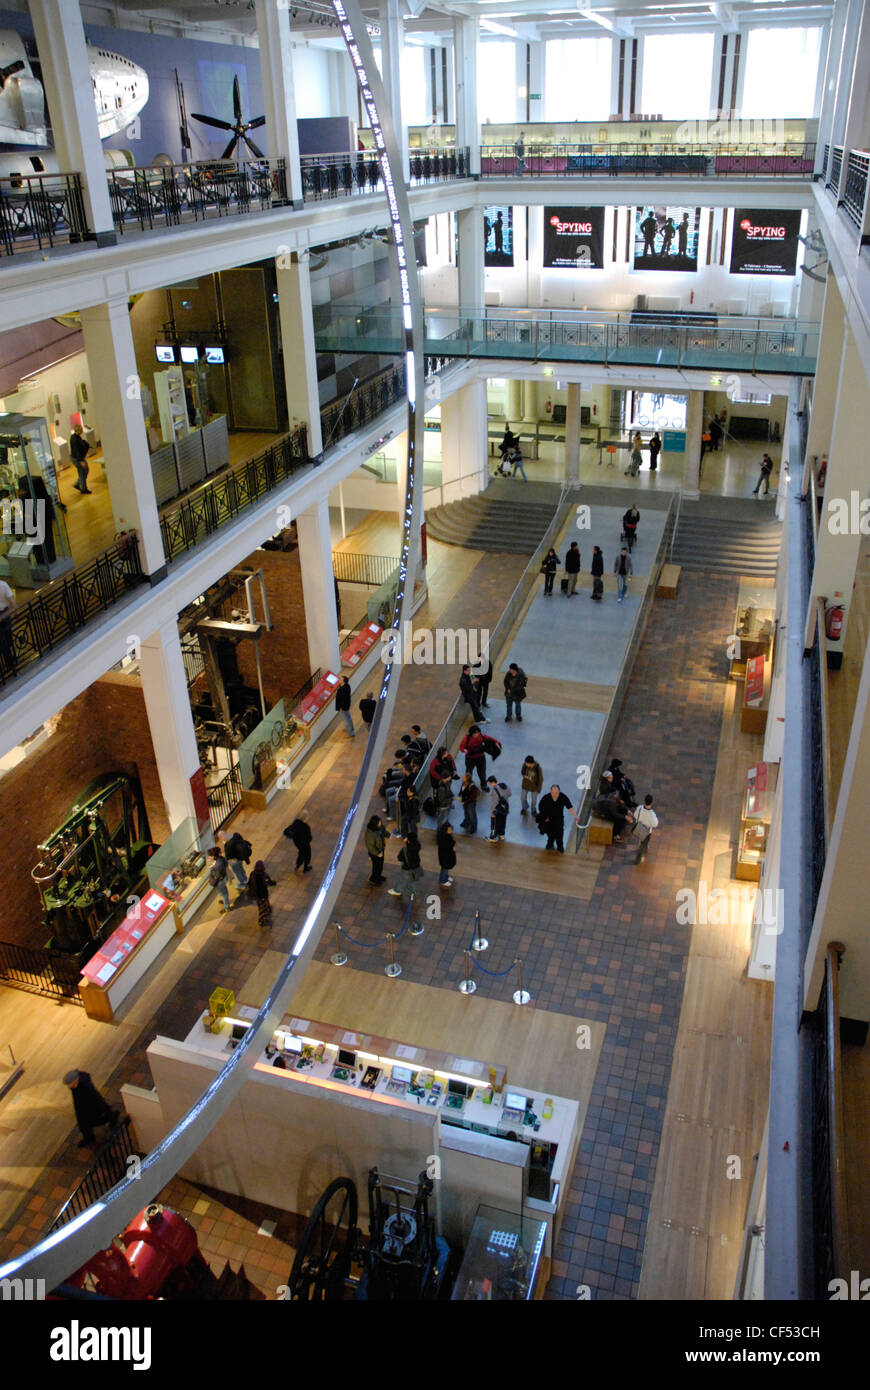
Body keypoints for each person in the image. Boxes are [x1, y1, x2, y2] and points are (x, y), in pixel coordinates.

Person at [63, 1070, 118, 1147]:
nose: (68, 1086)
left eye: (69, 1083)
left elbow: (95, 1099)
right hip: (83, 1110)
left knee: (98, 1120)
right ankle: (89, 1138)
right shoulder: (75, 1087)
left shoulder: (86, 1088)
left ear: (75, 1080)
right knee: (84, 1125)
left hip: (91, 1108)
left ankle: (112, 1117)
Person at [536, 784, 579, 852]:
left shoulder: (562, 797)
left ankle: (560, 847)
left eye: (556, 793)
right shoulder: (546, 798)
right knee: (550, 835)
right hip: (549, 820)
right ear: (551, 791)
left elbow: (569, 806)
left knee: (559, 834)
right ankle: (549, 845)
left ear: (559, 791)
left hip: (559, 820)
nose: (554, 794)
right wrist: (545, 817)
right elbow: (540, 807)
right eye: (553, 792)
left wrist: (575, 815)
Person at [388, 832, 422, 899]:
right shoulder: (417, 846)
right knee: (413, 880)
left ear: (408, 840)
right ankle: (412, 891)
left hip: (407, 868)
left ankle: (397, 891)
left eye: (407, 838)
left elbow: (399, 858)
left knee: (403, 880)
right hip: (416, 867)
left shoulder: (405, 850)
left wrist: (406, 843)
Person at [247, 859, 277, 928]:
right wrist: (273, 883)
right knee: (262, 908)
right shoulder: (264, 874)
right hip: (263, 894)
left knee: (261, 906)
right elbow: (270, 881)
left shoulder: (252, 873)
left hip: (257, 895)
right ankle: (262, 921)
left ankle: (267, 910)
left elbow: (249, 883)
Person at [459, 723, 489, 790]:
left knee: (482, 773)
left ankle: (484, 785)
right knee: (469, 773)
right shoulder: (466, 739)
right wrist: (464, 750)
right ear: (472, 733)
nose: (477, 734)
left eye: (478, 733)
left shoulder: (481, 736)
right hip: (470, 759)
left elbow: (488, 740)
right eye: (476, 733)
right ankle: (467, 786)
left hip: (480, 757)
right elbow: (461, 747)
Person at [633, 794, 659, 864]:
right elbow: (655, 824)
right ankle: (638, 859)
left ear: (645, 801)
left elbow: (635, 815)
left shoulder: (639, 808)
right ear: (651, 802)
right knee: (643, 844)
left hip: (638, 828)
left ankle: (644, 847)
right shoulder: (651, 814)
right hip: (647, 832)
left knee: (641, 838)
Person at [0, 576, 17, 680]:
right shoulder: (3, 585)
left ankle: (8, 662)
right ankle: (11, 661)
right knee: (8, 636)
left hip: (3, 615)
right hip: (5, 614)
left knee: (2, 641)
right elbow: (12, 602)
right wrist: (15, 611)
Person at [381, 754, 406, 820]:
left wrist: (398, 790)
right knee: (387, 791)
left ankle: (393, 816)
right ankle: (388, 808)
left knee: (391, 799)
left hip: (402, 791)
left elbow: (406, 787)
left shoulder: (410, 778)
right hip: (400, 788)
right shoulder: (405, 775)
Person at [365, 814, 387, 885]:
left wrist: (389, 835)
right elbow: (370, 846)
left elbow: (383, 831)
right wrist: (378, 853)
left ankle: (378, 876)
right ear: (375, 824)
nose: (380, 823)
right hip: (375, 853)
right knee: (376, 866)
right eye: (379, 822)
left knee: (380, 865)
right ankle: (374, 879)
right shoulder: (370, 834)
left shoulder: (379, 827)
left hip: (380, 849)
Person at [69, 424, 92, 493]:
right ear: (79, 430)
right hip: (78, 459)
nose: (82, 431)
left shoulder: (74, 437)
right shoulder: (75, 439)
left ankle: (78, 484)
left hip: (77, 457)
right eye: (81, 430)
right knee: (83, 472)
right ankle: (84, 489)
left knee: (84, 471)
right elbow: (77, 451)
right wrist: (80, 461)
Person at [487, 776, 511, 841]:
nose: (489, 785)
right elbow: (509, 794)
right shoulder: (504, 785)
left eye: (489, 783)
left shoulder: (495, 790)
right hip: (505, 808)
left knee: (495, 823)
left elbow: (494, 802)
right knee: (503, 822)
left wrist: (493, 812)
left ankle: (493, 837)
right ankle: (502, 835)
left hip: (498, 809)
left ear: (491, 782)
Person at [207, 846, 231, 912]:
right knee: (223, 892)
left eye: (210, 856)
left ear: (214, 856)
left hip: (220, 881)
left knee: (224, 893)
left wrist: (212, 869)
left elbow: (216, 875)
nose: (209, 857)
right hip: (224, 878)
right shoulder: (221, 859)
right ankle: (225, 901)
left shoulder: (218, 865)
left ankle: (227, 907)